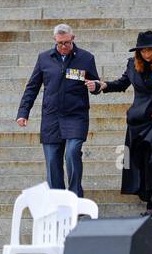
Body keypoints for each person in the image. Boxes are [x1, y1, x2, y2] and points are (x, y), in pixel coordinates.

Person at [90, 30, 152, 217]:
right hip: (139, 117)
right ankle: (149, 192)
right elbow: (122, 83)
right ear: (138, 52)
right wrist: (104, 85)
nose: (147, 54)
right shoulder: (132, 65)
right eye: (143, 51)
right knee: (140, 156)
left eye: (150, 50)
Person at [17, 24, 101, 198]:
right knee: (53, 162)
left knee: (72, 153)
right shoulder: (44, 59)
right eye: (60, 43)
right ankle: (58, 201)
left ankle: (75, 198)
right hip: (51, 117)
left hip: (76, 115)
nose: (64, 47)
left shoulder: (86, 58)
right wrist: (23, 112)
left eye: (67, 43)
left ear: (73, 38)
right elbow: (32, 87)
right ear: (54, 40)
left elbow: (96, 83)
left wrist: (95, 86)